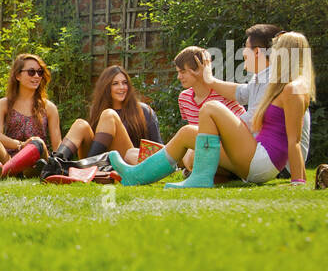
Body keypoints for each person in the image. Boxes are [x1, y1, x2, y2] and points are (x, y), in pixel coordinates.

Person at [109, 31, 316, 188]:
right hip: (255, 156)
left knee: (211, 108)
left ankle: (200, 177)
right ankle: (135, 176)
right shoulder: (277, 86)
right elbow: (242, 93)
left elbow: (294, 140)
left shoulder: (293, 89)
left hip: (262, 160)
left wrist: (298, 179)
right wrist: (210, 80)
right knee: (187, 133)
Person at [206, 23, 311, 170]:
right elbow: (241, 93)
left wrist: (210, 130)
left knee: (200, 141)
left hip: (279, 163)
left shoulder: (279, 83)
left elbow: (251, 122)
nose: (242, 52)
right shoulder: (262, 77)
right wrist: (209, 80)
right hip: (265, 155)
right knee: (198, 151)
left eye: (245, 46)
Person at [39, 65, 162, 174]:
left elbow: (159, 148)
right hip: (101, 162)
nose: (122, 87)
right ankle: (55, 163)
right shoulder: (97, 110)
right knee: (80, 124)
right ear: (106, 87)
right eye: (115, 83)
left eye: (125, 83)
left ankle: (86, 170)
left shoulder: (143, 110)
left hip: (127, 162)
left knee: (109, 115)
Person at [0, 53, 61, 179]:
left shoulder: (48, 107)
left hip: (36, 160)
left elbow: (57, 146)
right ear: (18, 75)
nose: (36, 76)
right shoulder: (4, 104)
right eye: (31, 72)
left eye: (40, 72)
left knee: (37, 142)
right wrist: (20, 145)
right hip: (9, 158)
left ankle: (1, 173)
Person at [173, 45, 244, 173]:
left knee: (193, 156)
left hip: (230, 151)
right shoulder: (184, 98)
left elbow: (241, 129)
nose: (179, 77)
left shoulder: (223, 94)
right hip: (204, 148)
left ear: (199, 69)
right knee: (189, 155)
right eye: (178, 72)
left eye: (183, 72)